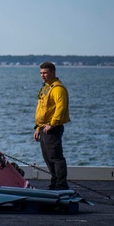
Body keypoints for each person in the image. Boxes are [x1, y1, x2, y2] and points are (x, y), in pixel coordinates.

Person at [35, 61, 71, 190]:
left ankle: (61, 185)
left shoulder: (58, 89)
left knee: (56, 157)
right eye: (41, 73)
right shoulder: (46, 88)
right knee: (48, 158)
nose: (43, 75)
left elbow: (61, 108)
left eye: (45, 73)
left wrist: (53, 124)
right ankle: (54, 183)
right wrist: (38, 127)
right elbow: (43, 110)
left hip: (52, 128)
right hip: (44, 128)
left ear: (53, 73)